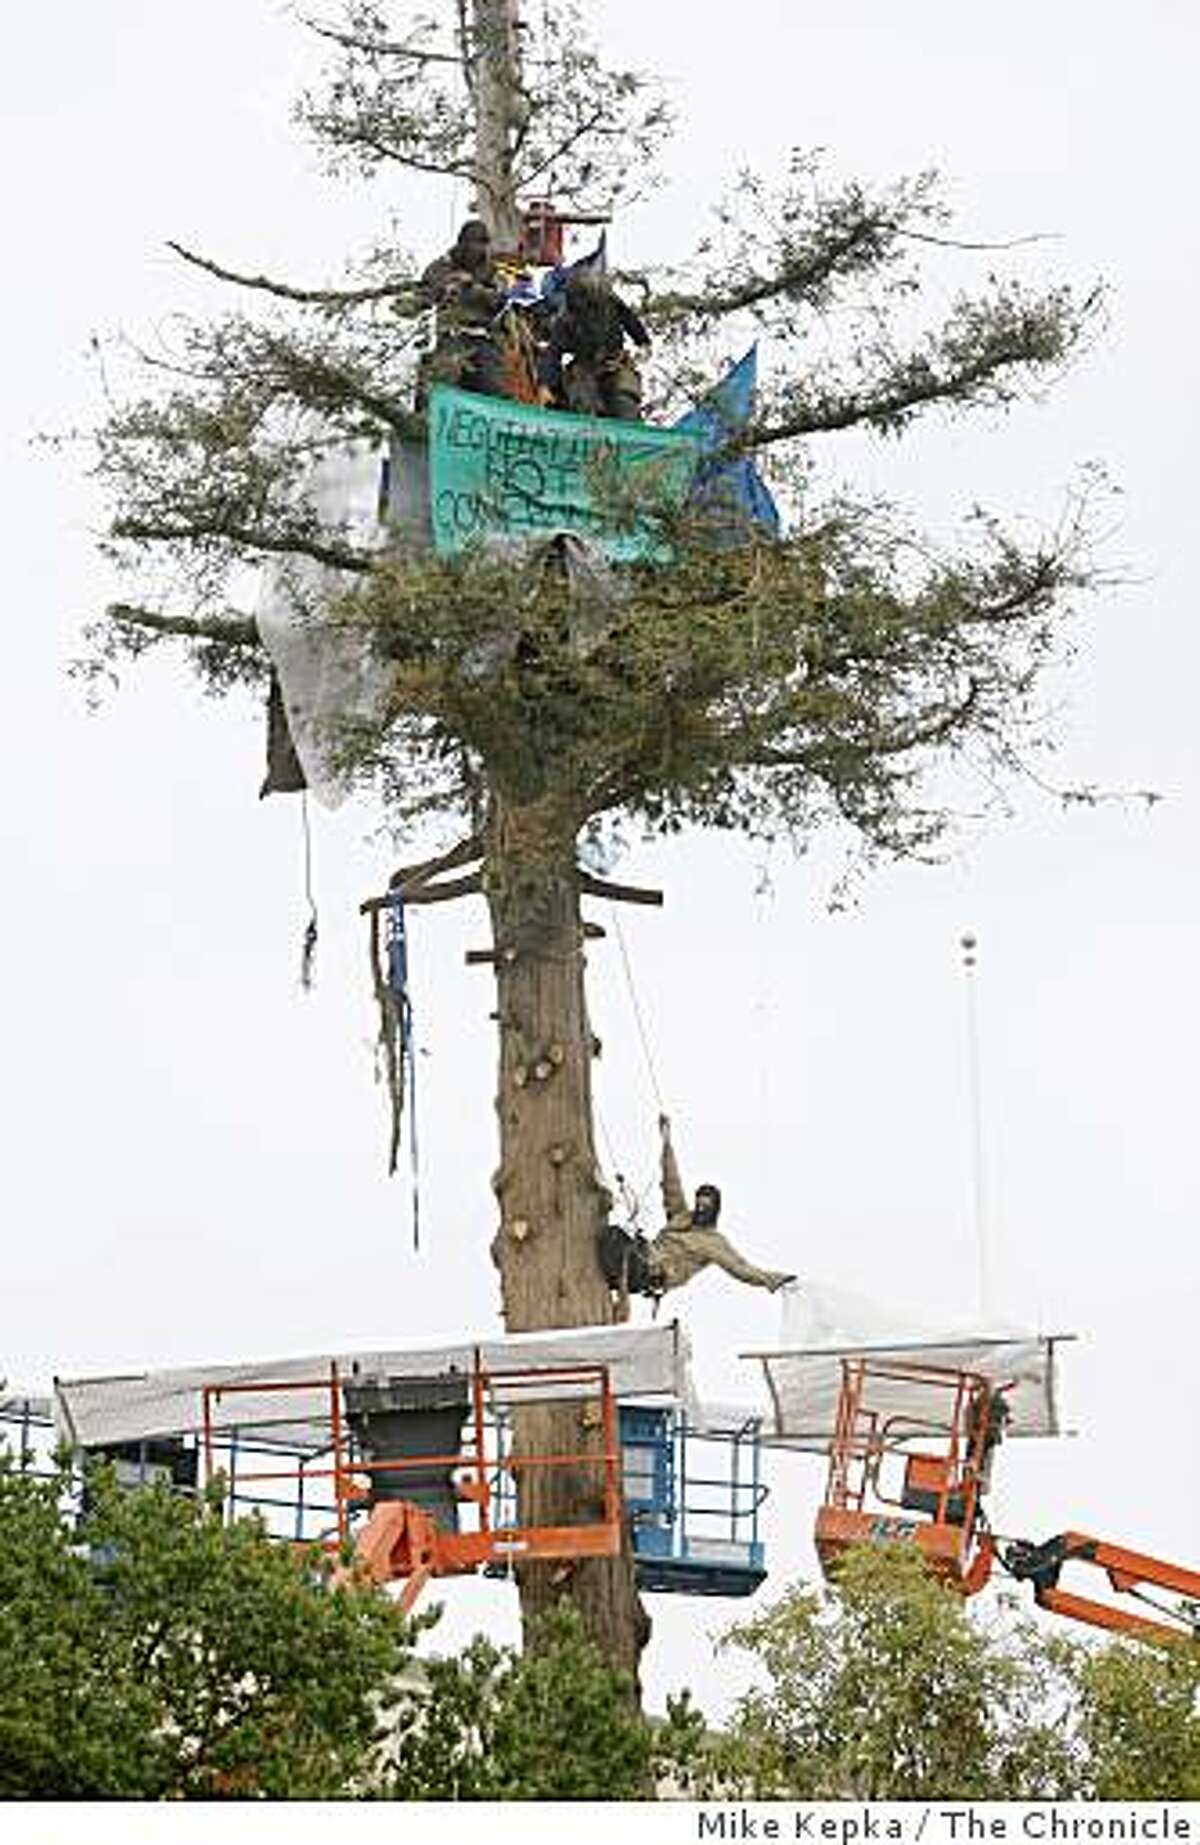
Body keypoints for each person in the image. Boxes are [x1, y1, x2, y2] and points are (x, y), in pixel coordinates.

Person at [646, 1114, 795, 1296]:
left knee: (615, 1245)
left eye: (705, 1207)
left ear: (714, 1209)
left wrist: (774, 1279)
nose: (700, 1209)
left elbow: (742, 1269)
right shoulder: (682, 1216)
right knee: (615, 1238)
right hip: (646, 1254)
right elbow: (672, 1183)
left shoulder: (714, 1243)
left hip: (658, 1272)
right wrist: (666, 1140)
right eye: (699, 1204)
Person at [538, 264, 651, 420]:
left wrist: (643, 342)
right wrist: (546, 385)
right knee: (584, 408)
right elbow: (553, 353)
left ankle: (634, 440)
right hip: (584, 369)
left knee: (625, 403)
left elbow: (631, 321)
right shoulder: (565, 319)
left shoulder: (611, 302)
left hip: (615, 363)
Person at [416, 219, 507, 403]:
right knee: (439, 389)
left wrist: (472, 286)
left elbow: (500, 301)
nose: (479, 250)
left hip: (483, 341)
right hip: (450, 337)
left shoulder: (492, 270)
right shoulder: (440, 267)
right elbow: (422, 299)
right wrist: (443, 289)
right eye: (475, 244)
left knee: (494, 391)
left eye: (483, 245)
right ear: (462, 244)